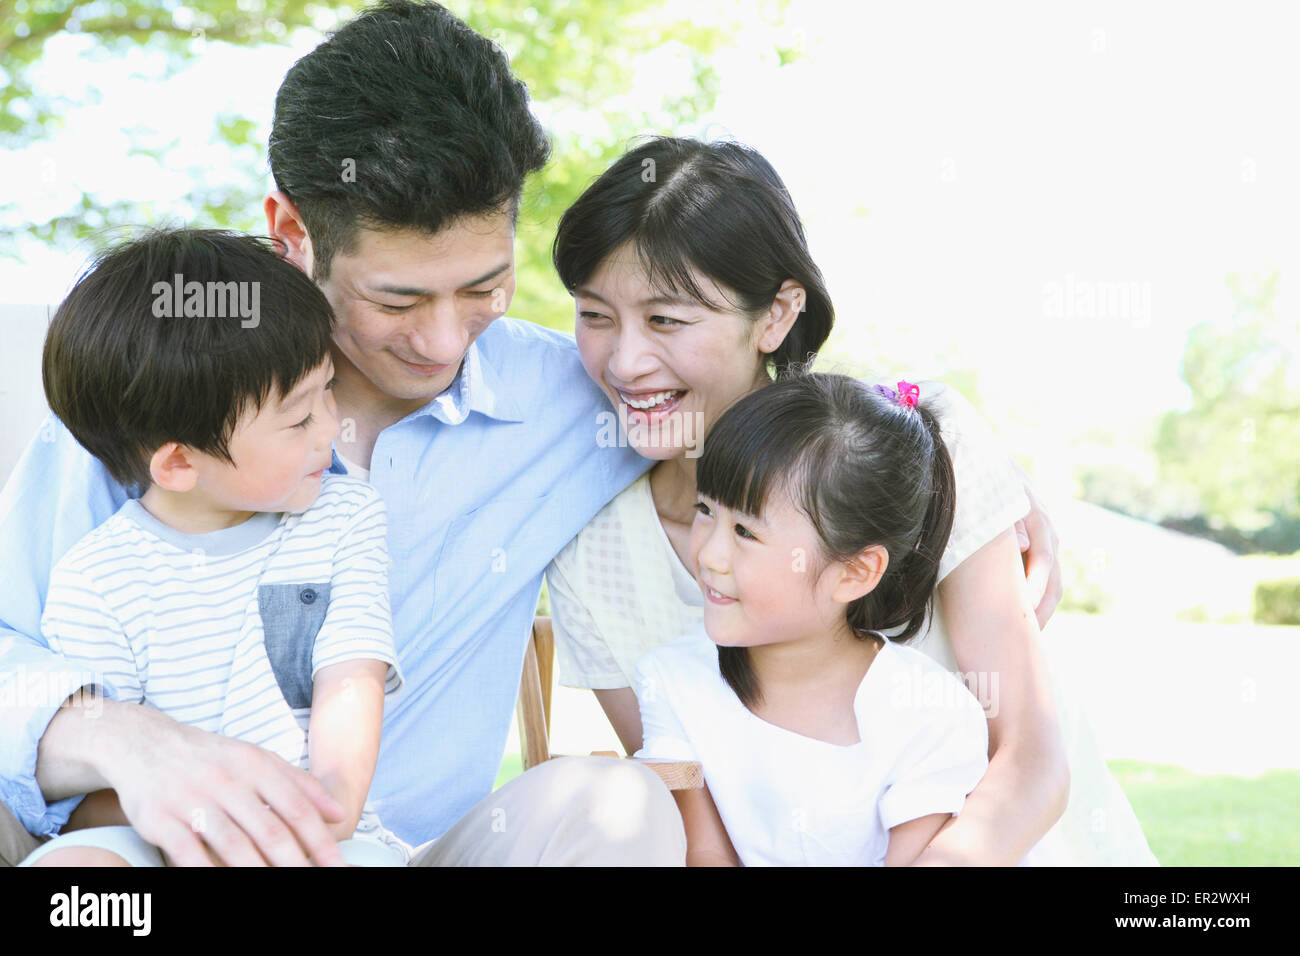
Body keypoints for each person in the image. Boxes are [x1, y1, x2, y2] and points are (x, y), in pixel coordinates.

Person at [0, 0, 683, 867]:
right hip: (153, 846)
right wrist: (126, 740)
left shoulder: (583, 398)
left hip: (407, 851)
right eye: (397, 299)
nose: (442, 341)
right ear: (292, 232)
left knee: (620, 804)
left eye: (484, 285)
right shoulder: (156, 384)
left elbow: (762, 419)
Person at [546, 136, 1158, 865]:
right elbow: (683, 817)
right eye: (594, 315)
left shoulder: (929, 447)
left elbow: (1029, 757)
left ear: (776, 315)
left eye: (667, 320)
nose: (623, 362)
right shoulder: (595, 557)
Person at [20, 229, 409, 867]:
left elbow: (351, 680)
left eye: (327, 390)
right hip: (153, 839)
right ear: (177, 464)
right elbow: (95, 794)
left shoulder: (344, 518)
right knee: (70, 870)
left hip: (314, 827)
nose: (330, 427)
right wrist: (207, 824)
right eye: (297, 418)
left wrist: (311, 812)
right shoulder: (95, 578)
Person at [636, 372, 992, 866]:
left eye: (744, 530)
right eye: (704, 509)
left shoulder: (929, 713)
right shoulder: (672, 680)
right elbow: (706, 854)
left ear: (854, 572)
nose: (709, 554)